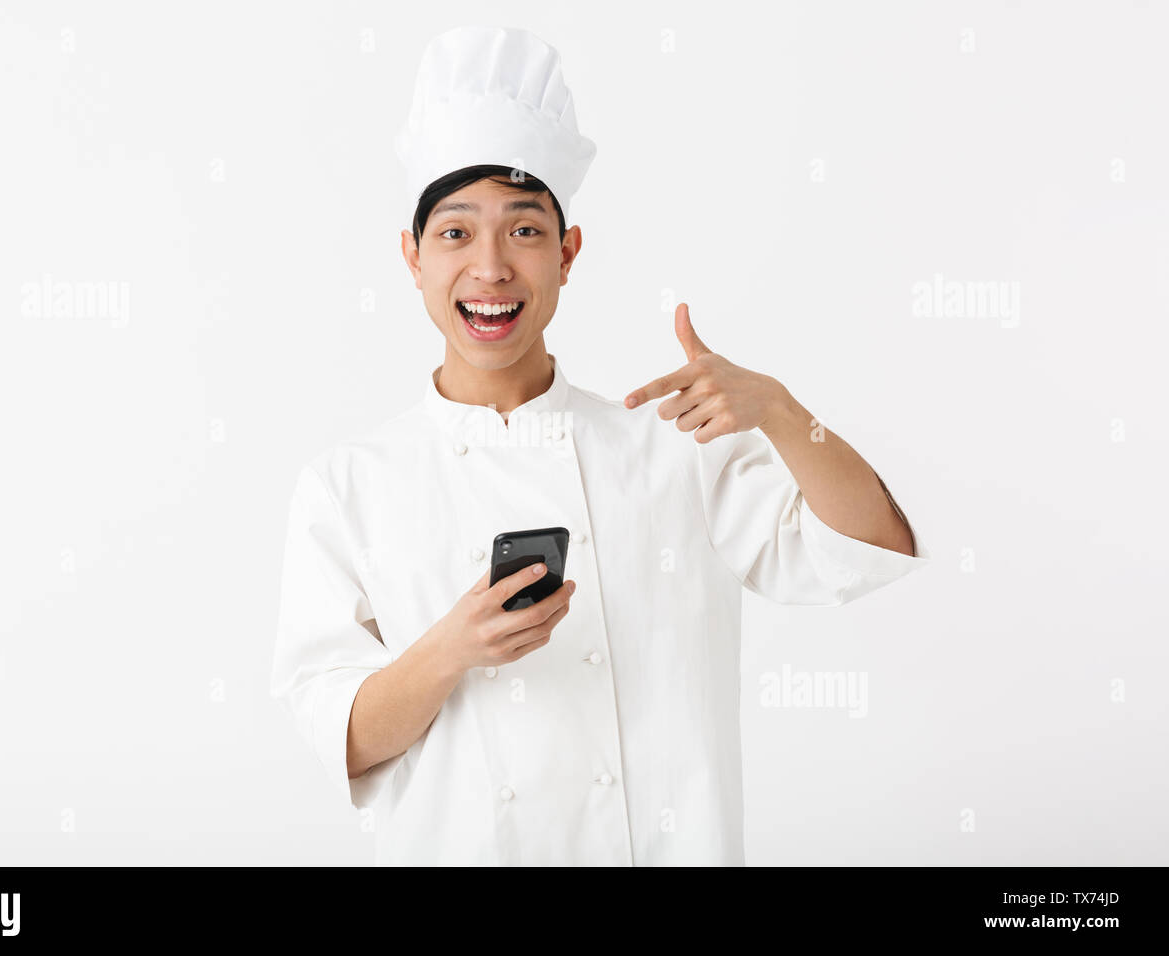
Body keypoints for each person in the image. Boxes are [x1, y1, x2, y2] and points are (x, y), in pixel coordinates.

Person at [270, 24, 929, 865]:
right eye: (456, 233)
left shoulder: (673, 448)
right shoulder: (347, 485)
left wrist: (779, 410)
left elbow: (874, 545)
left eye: (525, 230)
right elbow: (347, 741)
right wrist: (452, 648)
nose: (492, 267)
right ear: (412, 257)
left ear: (568, 252)